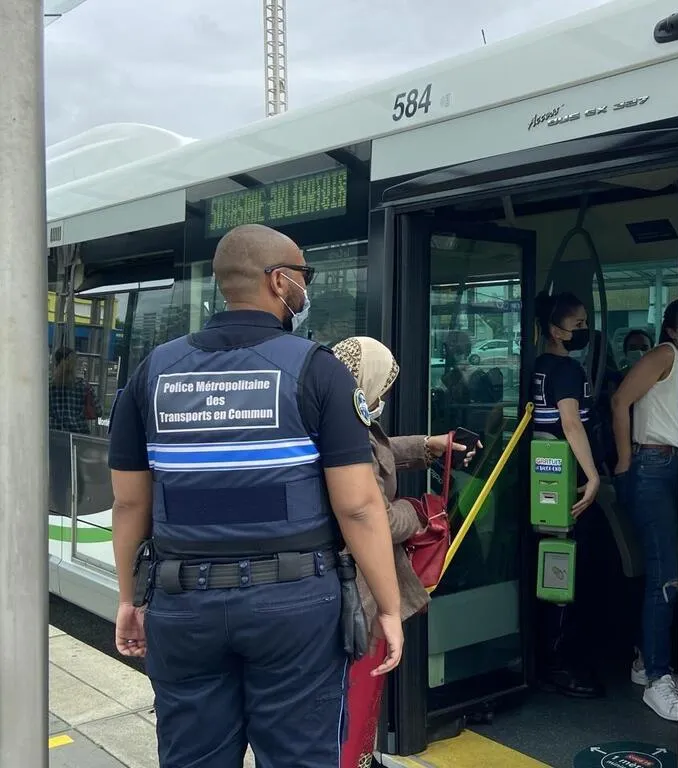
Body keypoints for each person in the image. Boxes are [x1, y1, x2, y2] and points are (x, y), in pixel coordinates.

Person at [107, 223, 403, 768]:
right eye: (305, 277)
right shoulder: (318, 371)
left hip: (181, 602)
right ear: (279, 280)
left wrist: (130, 599)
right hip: (294, 606)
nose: (305, 289)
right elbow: (358, 504)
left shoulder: (152, 372)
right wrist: (388, 607)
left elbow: (129, 504)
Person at [333, 336, 479, 768]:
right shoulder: (349, 436)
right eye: (383, 386)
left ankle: (358, 754)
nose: (384, 397)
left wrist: (426, 447)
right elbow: (372, 519)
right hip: (359, 591)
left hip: (345, 588)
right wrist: (418, 513)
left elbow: (378, 450)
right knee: (360, 683)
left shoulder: (333, 418)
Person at [531, 290, 605, 698]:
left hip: (545, 473)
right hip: (568, 478)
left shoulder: (537, 366)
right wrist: (592, 475)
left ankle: (549, 654)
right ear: (555, 331)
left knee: (552, 559)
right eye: (577, 325)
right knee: (566, 566)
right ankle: (558, 660)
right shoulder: (566, 370)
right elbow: (572, 423)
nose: (582, 332)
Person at [610, 299, 678, 721]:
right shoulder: (665, 355)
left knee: (667, 570)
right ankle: (657, 677)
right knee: (664, 573)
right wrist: (624, 460)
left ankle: (645, 661)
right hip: (654, 465)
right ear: (671, 330)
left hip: (673, 466)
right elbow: (620, 400)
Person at [49, 346, 97, 433]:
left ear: (56, 363)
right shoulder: (84, 386)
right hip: (79, 434)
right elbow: (98, 410)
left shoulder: (47, 386)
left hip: (54, 433)